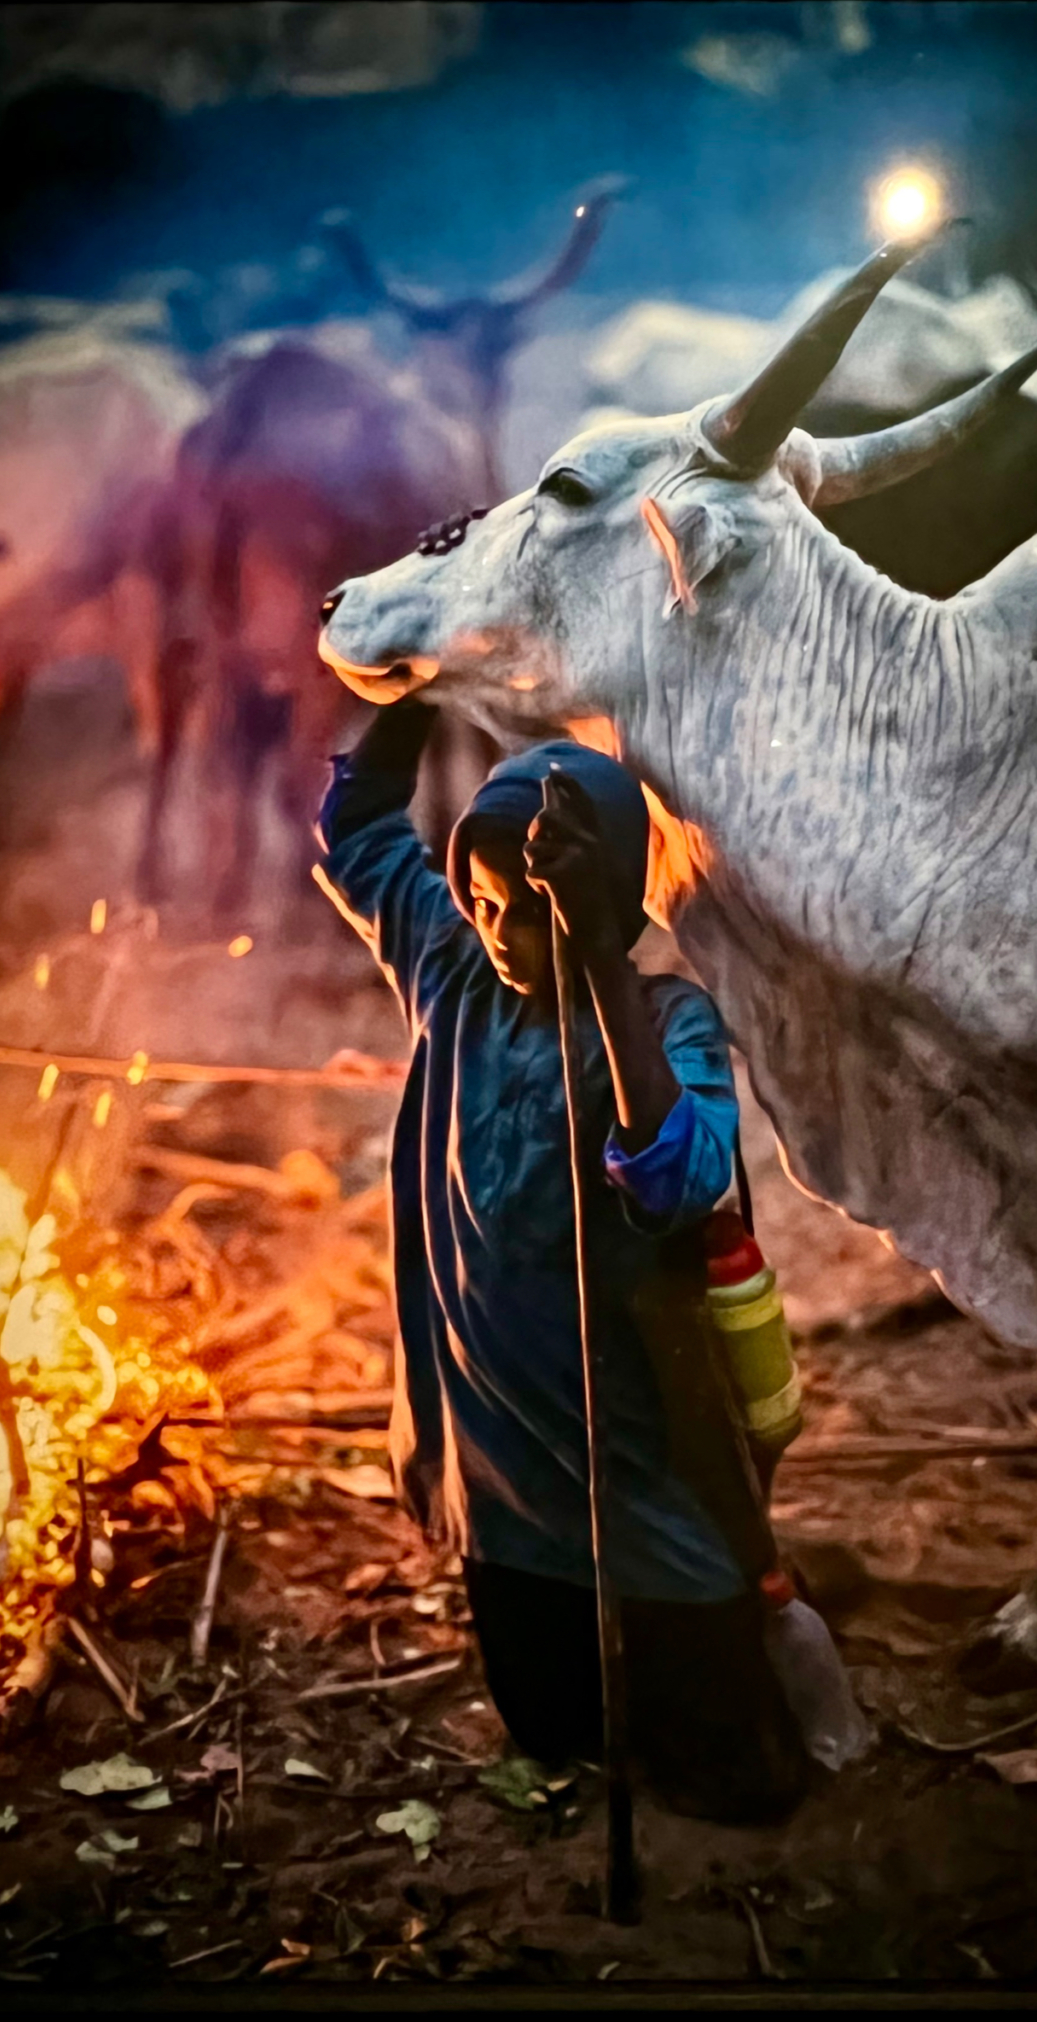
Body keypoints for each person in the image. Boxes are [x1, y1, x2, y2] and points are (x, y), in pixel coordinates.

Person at [313, 698, 808, 1823]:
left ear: (605, 902)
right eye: (479, 899)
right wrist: (415, 687)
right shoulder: (451, 971)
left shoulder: (668, 1017)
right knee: (553, 1729)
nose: (492, 927)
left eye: (522, 911)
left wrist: (594, 963)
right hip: (498, 1475)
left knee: (742, 1779)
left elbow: (676, 1175)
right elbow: (355, 826)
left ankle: (758, 1609)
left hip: (632, 1463)